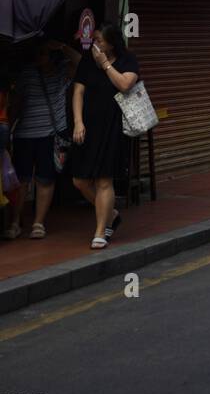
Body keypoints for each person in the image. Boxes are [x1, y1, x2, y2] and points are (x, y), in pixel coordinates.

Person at [71, 23, 139, 251]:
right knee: (79, 180)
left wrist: (106, 65)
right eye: (94, 39)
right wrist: (78, 121)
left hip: (113, 127)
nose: (95, 44)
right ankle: (112, 214)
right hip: (87, 126)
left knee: (103, 180)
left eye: (99, 40)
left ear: (112, 42)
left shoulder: (127, 60)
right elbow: (78, 91)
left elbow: (125, 84)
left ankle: (101, 231)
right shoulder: (87, 60)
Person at [6, 38, 77, 241]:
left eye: (43, 53)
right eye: (37, 53)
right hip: (25, 134)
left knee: (45, 179)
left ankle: (39, 223)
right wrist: (9, 130)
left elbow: (81, 62)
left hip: (51, 135)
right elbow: (17, 103)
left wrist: (62, 46)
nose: (39, 57)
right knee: (22, 180)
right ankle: (15, 222)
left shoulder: (63, 72)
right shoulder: (27, 73)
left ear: (52, 55)